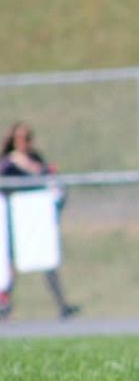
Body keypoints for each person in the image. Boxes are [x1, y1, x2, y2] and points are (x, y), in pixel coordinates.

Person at [0, 122, 79, 320]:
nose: (25, 142)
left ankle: (62, 304)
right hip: (14, 218)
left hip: (35, 218)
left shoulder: (35, 158)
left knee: (46, 260)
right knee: (11, 262)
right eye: (21, 138)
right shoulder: (7, 164)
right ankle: (4, 301)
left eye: (28, 138)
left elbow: (49, 178)